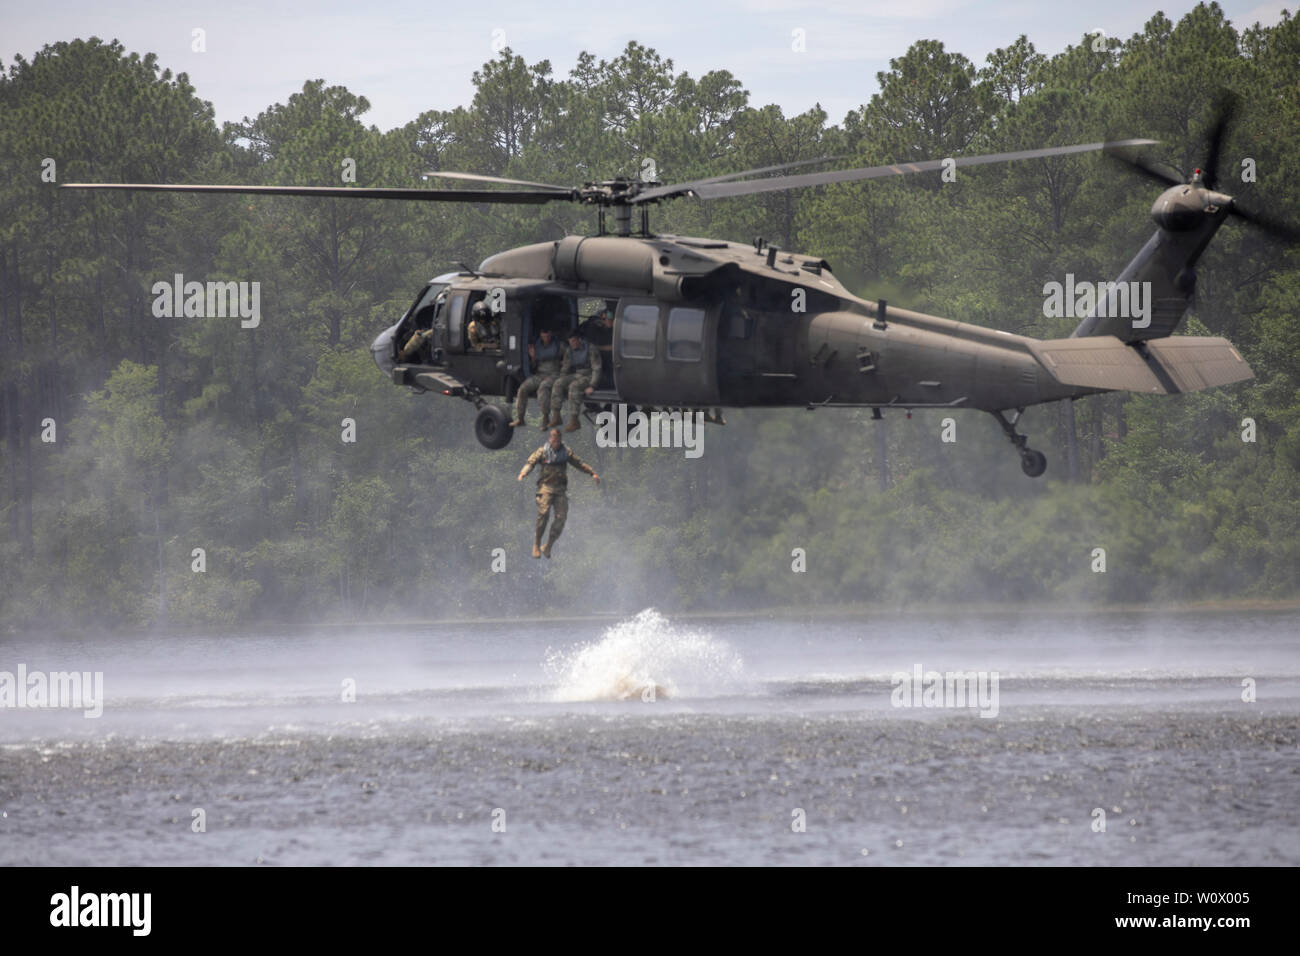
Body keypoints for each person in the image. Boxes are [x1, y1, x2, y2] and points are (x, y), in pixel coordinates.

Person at [517, 427, 600, 558]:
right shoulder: (543, 452)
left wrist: (592, 473)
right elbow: (531, 462)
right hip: (546, 487)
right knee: (543, 513)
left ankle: (548, 545)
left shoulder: (566, 452)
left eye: (558, 441)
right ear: (550, 440)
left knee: (561, 518)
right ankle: (537, 543)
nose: (556, 443)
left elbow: (579, 463)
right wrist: (523, 472)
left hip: (560, 489)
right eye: (554, 440)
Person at [550, 331, 603, 431]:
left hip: (589, 375)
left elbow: (597, 368)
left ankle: (574, 420)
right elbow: (566, 367)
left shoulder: (590, 349)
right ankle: (556, 415)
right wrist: (562, 379)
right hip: (577, 373)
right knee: (558, 383)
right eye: (570, 342)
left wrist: (592, 385)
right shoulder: (570, 350)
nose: (572, 344)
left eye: (574, 341)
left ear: (579, 340)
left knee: (574, 386)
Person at [510, 327, 563, 428]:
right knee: (523, 388)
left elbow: (567, 356)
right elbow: (533, 365)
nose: (546, 337)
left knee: (543, 388)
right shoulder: (537, 346)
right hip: (540, 374)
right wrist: (533, 357)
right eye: (543, 334)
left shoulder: (558, 345)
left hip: (553, 374)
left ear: (551, 334)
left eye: (547, 334)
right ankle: (520, 418)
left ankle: (545, 417)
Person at [579, 304, 615, 387]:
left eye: (611, 319)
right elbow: (589, 346)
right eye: (606, 318)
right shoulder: (592, 328)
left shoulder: (613, 329)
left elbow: (615, 347)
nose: (609, 321)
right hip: (594, 361)